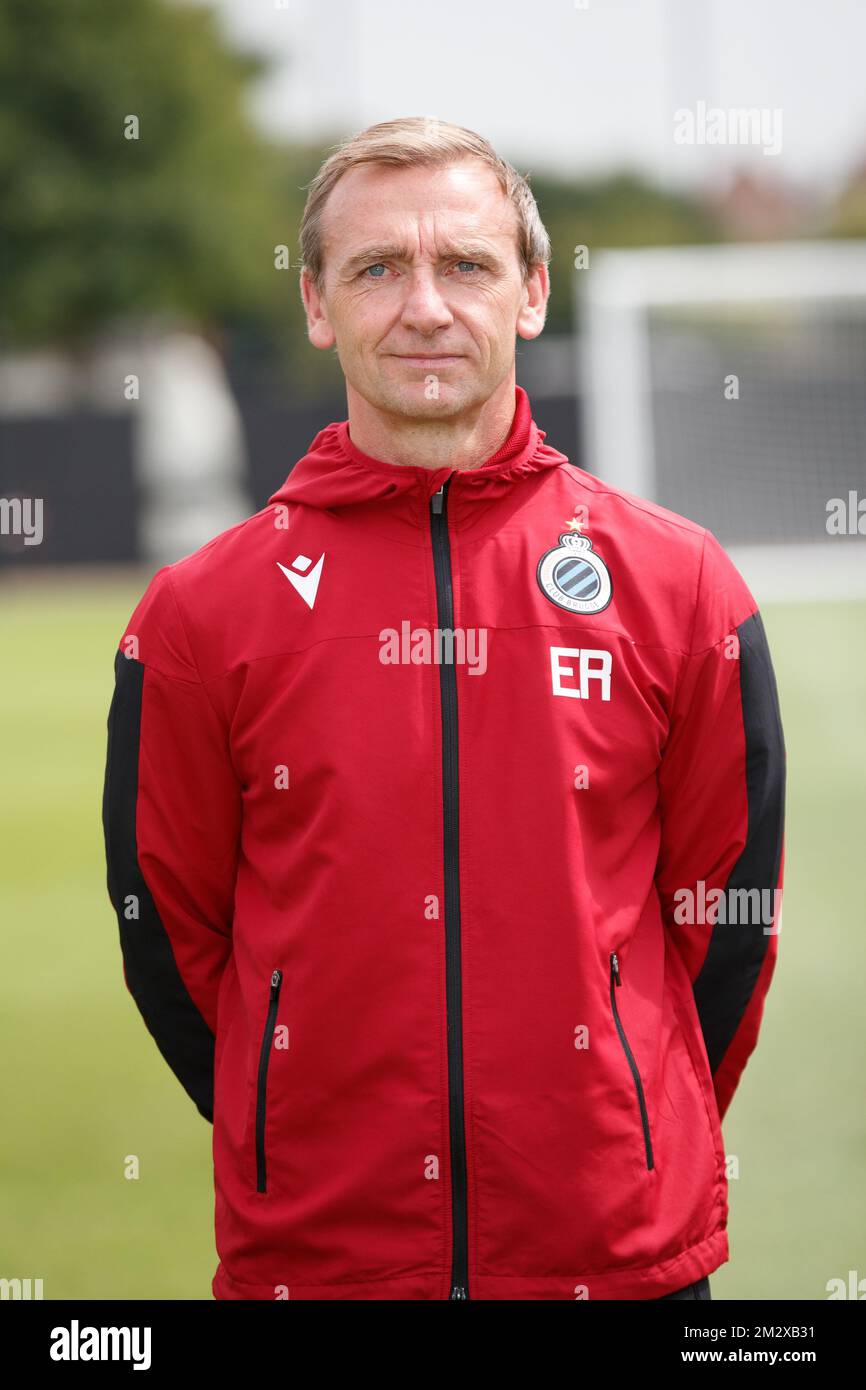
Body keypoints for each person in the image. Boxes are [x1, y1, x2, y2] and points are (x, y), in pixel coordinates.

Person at [101, 116, 786, 1301]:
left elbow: (723, 921)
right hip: (320, 1265)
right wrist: (286, 1123)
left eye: (463, 264)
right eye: (377, 268)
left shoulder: (681, 588)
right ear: (316, 304)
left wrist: (619, 1112)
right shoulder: (200, 613)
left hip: (614, 1260)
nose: (424, 306)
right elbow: (167, 931)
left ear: (529, 293)